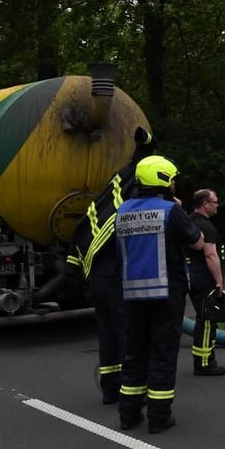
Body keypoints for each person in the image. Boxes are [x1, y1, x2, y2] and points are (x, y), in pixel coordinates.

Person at [115, 155, 208, 434]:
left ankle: (128, 415)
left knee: (134, 353)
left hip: (131, 294)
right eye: (173, 179)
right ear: (164, 180)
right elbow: (198, 242)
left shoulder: (122, 211)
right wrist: (177, 211)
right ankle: (159, 417)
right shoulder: (170, 210)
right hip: (166, 294)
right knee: (163, 354)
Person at [66, 127, 156, 405]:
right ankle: (131, 390)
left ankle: (109, 389)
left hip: (96, 274)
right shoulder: (129, 197)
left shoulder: (110, 191)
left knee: (107, 334)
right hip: (114, 274)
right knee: (126, 331)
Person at [188, 189, 225, 376]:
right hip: (203, 278)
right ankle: (204, 362)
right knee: (207, 320)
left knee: (202, 319)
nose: (217, 205)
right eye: (214, 201)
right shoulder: (206, 227)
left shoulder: (187, 221)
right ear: (205, 204)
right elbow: (211, 255)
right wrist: (219, 281)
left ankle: (202, 359)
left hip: (188, 276)